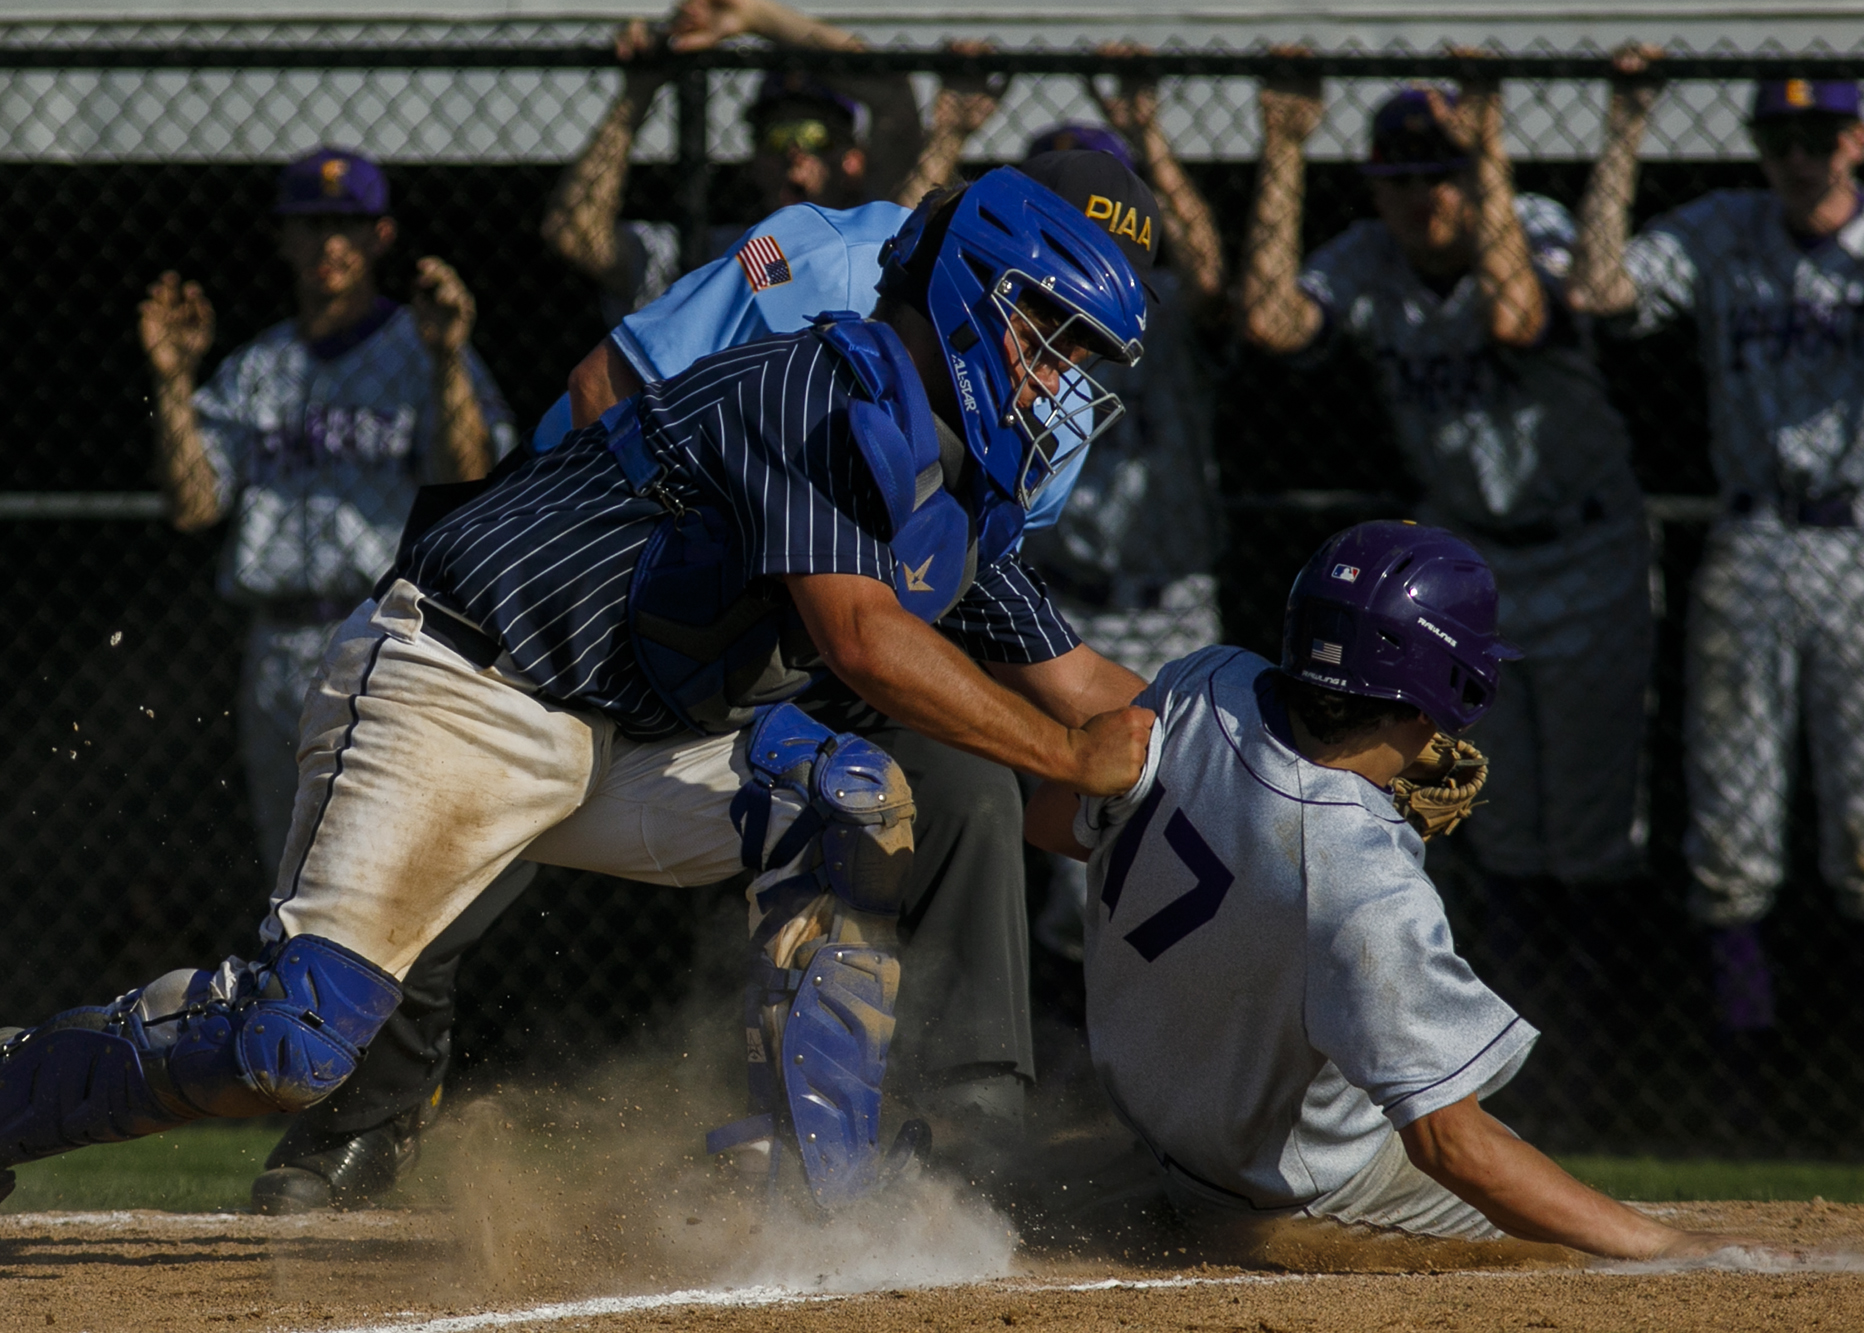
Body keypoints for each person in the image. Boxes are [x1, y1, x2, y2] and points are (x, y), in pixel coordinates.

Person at [0, 153, 1159, 1211]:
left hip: (627, 737)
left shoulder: (962, 493)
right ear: (970, 291)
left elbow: (1079, 677)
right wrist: (1065, 760)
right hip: (465, 681)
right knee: (289, 1041)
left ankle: (816, 1201)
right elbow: (863, 642)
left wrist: (1250, 740)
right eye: (1047, 338)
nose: (1060, 383)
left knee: (846, 798)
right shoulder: (820, 382)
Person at [254, 187, 1090, 1210]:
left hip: (793, 618)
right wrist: (686, 584)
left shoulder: (1035, 380)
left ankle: (955, 1120)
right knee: (447, 867)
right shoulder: (820, 256)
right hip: (604, 595)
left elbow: (987, 612)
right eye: (1051, 319)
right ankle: (356, 1121)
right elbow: (608, 384)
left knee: (952, 787)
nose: (1064, 359)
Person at [1021, 522, 1761, 1261]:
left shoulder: (1203, 680)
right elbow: (1451, 1144)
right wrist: (1672, 1246)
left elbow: (1052, 821)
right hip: (1281, 1186)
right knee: (1594, 1243)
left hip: (1149, 1121)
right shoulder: (1365, 881)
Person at [1567, 53, 1864, 1038]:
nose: (1798, 158)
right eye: (1778, 139)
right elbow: (1598, 289)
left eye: (1819, 137)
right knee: (1730, 830)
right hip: (1755, 530)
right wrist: (1624, 124)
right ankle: (1744, 1074)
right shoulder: (1724, 227)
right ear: (1756, 146)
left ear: (1857, 140)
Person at [1240, 75, 1654, 1003]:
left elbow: (1516, 314)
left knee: (1589, 827)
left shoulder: (1531, 220)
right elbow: (1271, 316)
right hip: (1474, 565)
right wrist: (1283, 150)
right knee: (1495, 818)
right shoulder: (1369, 256)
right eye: (1403, 179)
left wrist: (1489, 155)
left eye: (1445, 174)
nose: (1428, 198)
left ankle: (1600, 1045)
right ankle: (1510, 1026)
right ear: (1375, 190)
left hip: (1588, 551)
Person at [139, 147, 516, 879]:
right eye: (310, 224)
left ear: (381, 237)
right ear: (283, 238)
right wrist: (174, 383)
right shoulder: (258, 366)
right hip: (278, 647)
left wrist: (446, 364)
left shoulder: (423, 344)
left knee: (388, 870)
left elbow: (468, 478)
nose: (328, 243)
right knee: (293, 875)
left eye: (346, 225)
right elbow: (194, 504)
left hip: (390, 631)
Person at [540, 0, 923, 328]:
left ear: (851, 160)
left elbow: (893, 96)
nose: (794, 152)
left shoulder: (877, 246)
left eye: (813, 136)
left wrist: (755, 16)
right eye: (775, 136)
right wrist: (637, 91)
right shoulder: (710, 256)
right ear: (754, 161)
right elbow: (574, 231)